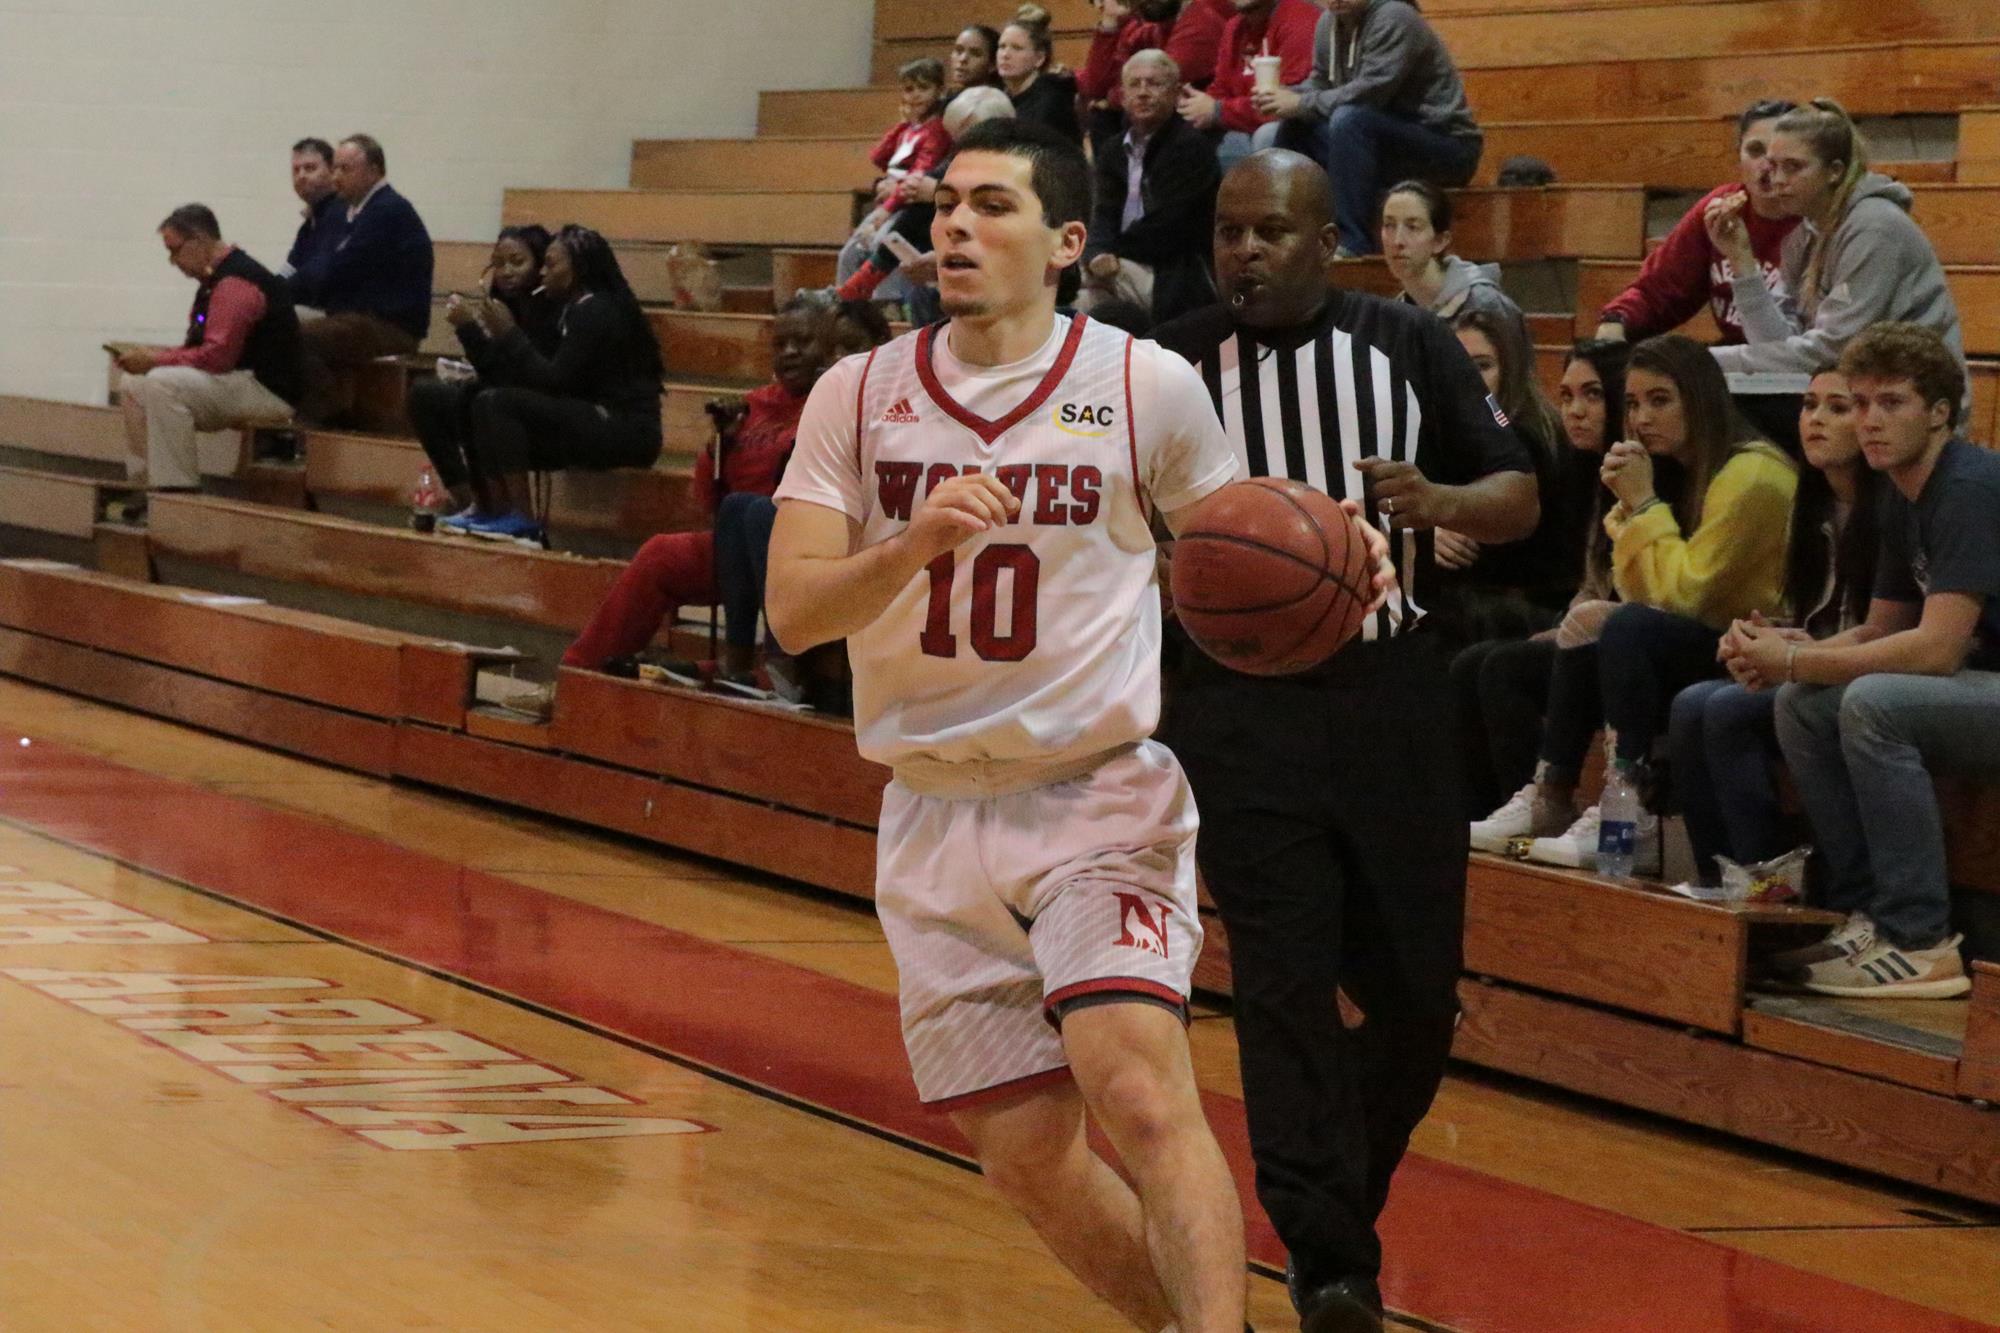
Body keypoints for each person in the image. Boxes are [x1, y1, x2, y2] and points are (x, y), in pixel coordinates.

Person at [768, 118, 1272, 1333]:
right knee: (1028, 1157)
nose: (954, 225)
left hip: (1094, 792)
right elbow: (791, 614)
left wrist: (1335, 542)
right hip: (932, 807)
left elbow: (1237, 550)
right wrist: (916, 541)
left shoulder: (1143, 383)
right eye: (945, 204)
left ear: (1065, 243)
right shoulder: (859, 389)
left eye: (991, 205)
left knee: (1139, 1096)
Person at [1152, 148, 1537, 1333]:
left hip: (1388, 697)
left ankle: (1337, 1210)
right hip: (1232, 710)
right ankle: (1328, 1264)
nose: (1245, 253)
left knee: (1416, 1002)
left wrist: (1436, 502)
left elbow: (1515, 492)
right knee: (1280, 986)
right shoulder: (1165, 363)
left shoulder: (1405, 343)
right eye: (1228, 232)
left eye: (1271, 232)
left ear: (1329, 244)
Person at [1734, 325, 2000, 998]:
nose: (1870, 421)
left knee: (1873, 703)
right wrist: (1782, 658)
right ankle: (1866, 915)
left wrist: (1794, 659)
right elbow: (1880, 629)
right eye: (1860, 403)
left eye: (1893, 402)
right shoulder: (1901, 494)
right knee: (1802, 706)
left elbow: (1936, 649)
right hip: (1981, 683)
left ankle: (1922, 940)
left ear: (1940, 412)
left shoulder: (1967, 485)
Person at [1473, 335, 1799, 874]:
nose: (1642, 417)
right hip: (1686, 639)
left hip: (1749, 650)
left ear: (1699, 397)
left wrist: (1641, 505)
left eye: (1660, 400)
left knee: (1624, 629)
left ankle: (1628, 812)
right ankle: (1547, 799)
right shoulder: (1681, 466)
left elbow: (1684, 596)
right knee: (1509, 660)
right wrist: (1635, 507)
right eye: (1633, 403)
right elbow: (1641, 592)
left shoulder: (1754, 475)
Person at [504, 295, 850, 716]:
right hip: (741, 547)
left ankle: (770, 668)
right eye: (781, 344)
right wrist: (719, 444)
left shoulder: (841, 398)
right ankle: (575, 679)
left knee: (758, 515)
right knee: (664, 553)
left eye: (803, 341)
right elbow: (708, 500)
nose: (790, 352)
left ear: (830, 347)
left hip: (811, 548)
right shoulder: (752, 405)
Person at [1668, 369, 1878, 891]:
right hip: (1817, 662)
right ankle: (1718, 876)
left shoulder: (1889, 508)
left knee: (1726, 709)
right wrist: (1763, 638)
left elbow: (1878, 630)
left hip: (1863, 669)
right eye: (1809, 406)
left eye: (1838, 407)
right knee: (1691, 702)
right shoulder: (1812, 504)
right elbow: (1815, 617)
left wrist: (1786, 654)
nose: (1816, 420)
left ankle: (1769, 880)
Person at [1453, 340, 1627, 820]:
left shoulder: (1636, 472)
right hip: (1580, 618)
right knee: (1472, 664)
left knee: (1501, 666)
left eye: (1592, 395)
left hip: (1625, 633)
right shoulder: (1583, 468)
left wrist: (1569, 621)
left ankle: (1538, 807)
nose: (1575, 410)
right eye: (1567, 395)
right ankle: (1481, 812)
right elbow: (1590, 583)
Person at [712, 300, 895, 709]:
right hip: (824, 522)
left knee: (764, 515)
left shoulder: (893, 399)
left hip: (874, 528)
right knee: (740, 507)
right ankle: (740, 657)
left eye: (851, 347)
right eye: (834, 350)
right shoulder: (826, 399)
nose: (840, 359)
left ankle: (786, 662)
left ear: (882, 345)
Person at [1709, 101, 1966, 388]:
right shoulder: (1802, 235)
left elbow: (1833, 351)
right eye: (1774, 167)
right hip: (1850, 395)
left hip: (1915, 408)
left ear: (1834, 171)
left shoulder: (1875, 228)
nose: (1777, 180)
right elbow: (1776, 346)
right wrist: (1742, 260)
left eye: (1793, 167)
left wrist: (1709, 360)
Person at [439, 226, 662, 545]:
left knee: (498, 403)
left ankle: (522, 518)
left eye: (551, 265)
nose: (543, 272)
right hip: (593, 417)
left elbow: (555, 381)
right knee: (479, 397)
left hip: (625, 429)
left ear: (577, 269)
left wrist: (510, 335)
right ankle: (494, 508)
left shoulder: (596, 310)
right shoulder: (575, 308)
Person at [1256, 0, 1482, 258]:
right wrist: (1282, 97)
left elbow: (1371, 93)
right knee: (1298, 123)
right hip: (1382, 139)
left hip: (1447, 145)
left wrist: (1301, 102)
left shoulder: (1395, 17)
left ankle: (1353, 241)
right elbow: (1320, 83)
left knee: (1348, 119)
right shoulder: (1327, 23)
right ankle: (1285, 229)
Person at [115, 204, 301, 494]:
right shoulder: (212, 281)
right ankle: (142, 485)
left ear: (200, 240)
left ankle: (176, 490)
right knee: (132, 385)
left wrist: (155, 360)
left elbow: (217, 357)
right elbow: (202, 349)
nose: (172, 260)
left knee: (162, 383)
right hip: (238, 379)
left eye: (175, 250)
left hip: (266, 388)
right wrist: (152, 359)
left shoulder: (235, 281)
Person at [1436, 306, 1588, 645]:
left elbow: (1481, 548)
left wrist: (1425, 532)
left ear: (1512, 370)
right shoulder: (1460, 433)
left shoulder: (1523, 436)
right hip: (1494, 595)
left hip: (1527, 603)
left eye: (1483, 366)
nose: (1469, 379)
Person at [1594, 100, 1799, 346]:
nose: (1767, 165)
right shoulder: (1720, 209)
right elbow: (1660, 291)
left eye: (1781, 155)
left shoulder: (1815, 220)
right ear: (1738, 156)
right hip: (1734, 356)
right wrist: (1616, 320)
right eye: (1756, 151)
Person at [408, 226, 562, 518]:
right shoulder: (502, 305)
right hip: (496, 402)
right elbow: (493, 370)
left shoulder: (554, 309)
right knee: (425, 395)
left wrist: (470, 330)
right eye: (499, 263)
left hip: (534, 412)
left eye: (517, 262)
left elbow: (524, 376)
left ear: (541, 265)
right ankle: (468, 499)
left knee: (479, 397)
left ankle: (512, 512)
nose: (506, 272)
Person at [294, 134, 435, 425]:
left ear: (374, 170)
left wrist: (276, 291)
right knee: (282, 326)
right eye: (335, 168)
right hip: (363, 317)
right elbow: (322, 266)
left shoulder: (387, 211)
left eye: (345, 169)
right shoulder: (355, 212)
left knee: (296, 337)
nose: (336, 177)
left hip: (390, 325)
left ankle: (331, 417)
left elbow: (337, 268)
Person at [835, 86, 1017, 307]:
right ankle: (867, 282)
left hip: (990, 262)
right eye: (958, 138)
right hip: (945, 247)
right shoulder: (962, 159)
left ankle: (871, 280)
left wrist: (937, 192)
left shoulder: (1016, 167)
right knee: (914, 214)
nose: (962, 145)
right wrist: (913, 186)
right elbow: (933, 177)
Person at [1080, 50, 1220, 323]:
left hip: (1173, 276)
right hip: (1122, 264)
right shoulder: (1112, 149)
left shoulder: (1192, 147)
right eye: (1135, 84)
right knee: (1077, 298)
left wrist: (1111, 254)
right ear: (1122, 95)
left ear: (1176, 93)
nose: (1143, 92)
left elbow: (1170, 228)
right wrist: (1097, 253)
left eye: (1154, 84)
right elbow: (1103, 213)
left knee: (1073, 284)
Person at [835, 59, 952, 297]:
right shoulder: (911, 129)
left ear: (939, 91)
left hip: (906, 205)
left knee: (885, 245)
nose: (915, 95)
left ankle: (887, 304)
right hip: (891, 201)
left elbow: (918, 176)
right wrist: (903, 124)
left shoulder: (936, 130)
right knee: (851, 249)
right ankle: (843, 302)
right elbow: (879, 156)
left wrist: (886, 209)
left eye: (923, 88)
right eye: (909, 89)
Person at [1175, 0, 1320, 170]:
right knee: (1183, 134)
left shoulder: (1301, 20)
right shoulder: (1234, 27)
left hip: (1296, 125)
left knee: (1260, 136)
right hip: (1243, 122)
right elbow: (1221, 89)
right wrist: (1196, 106)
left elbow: (1287, 104)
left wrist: (1218, 110)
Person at [1378, 180, 1523, 330]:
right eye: (1389, 225)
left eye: (1413, 227)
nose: (1397, 241)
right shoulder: (1392, 316)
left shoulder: (1486, 305)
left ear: (1440, 241)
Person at [1078, 0, 1186, 146]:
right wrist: (1109, 23)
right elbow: (1095, 86)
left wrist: (1111, 100)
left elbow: (1163, 76)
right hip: (1130, 113)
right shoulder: (1127, 26)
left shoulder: (1153, 18)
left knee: (1106, 116)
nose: (1100, 5)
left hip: (1174, 111)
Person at [997, 14, 1082, 143]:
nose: (1005, 54)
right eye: (1002, 46)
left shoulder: (1051, 103)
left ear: (1039, 58)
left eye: (1017, 48)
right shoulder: (1000, 98)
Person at [281, 137, 345, 295]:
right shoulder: (309, 225)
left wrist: (275, 295)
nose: (301, 176)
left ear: (332, 171)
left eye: (310, 168)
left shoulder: (341, 214)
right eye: (296, 170)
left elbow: (316, 274)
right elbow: (289, 269)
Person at [946, 24, 1003, 99]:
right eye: (958, 51)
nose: (963, 59)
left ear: (992, 65)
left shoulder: (997, 102)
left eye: (975, 54)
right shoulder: (951, 99)